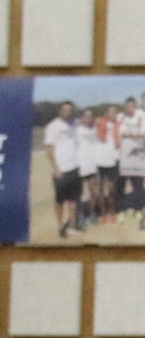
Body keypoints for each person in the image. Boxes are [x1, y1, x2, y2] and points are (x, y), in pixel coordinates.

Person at [45, 102, 83, 237]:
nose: (67, 112)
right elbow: (49, 149)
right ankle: (61, 225)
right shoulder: (52, 126)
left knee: (74, 199)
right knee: (60, 200)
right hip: (61, 169)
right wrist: (56, 168)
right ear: (59, 110)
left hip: (74, 167)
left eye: (70, 110)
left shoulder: (73, 124)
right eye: (64, 109)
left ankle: (72, 224)